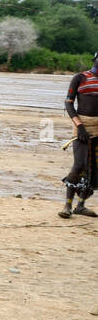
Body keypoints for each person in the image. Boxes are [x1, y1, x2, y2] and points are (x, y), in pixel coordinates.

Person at [59, 51, 98, 218]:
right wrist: (79, 125)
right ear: (95, 60)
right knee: (80, 164)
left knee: (94, 169)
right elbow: (68, 103)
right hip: (82, 126)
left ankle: (80, 205)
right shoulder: (80, 78)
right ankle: (67, 205)